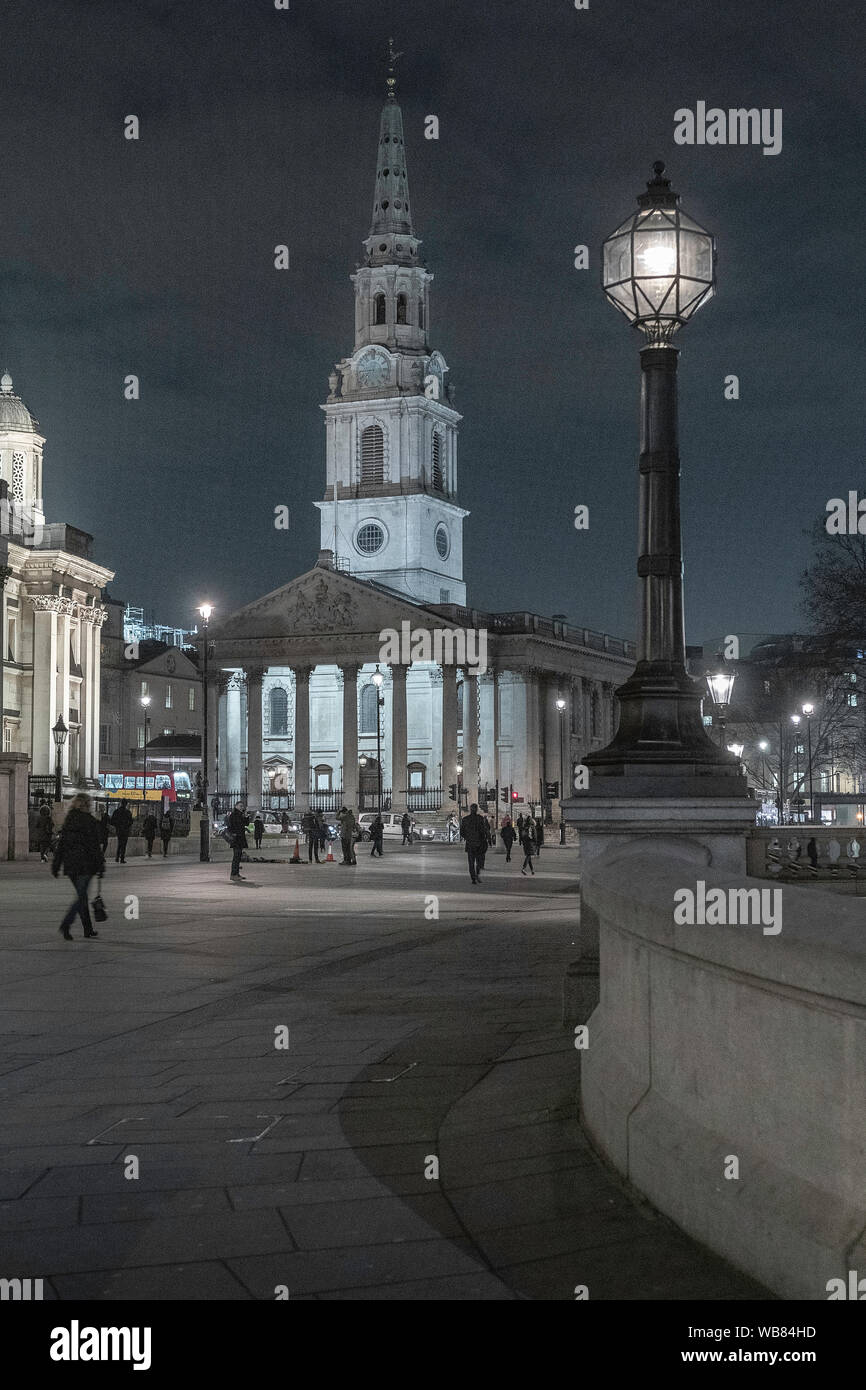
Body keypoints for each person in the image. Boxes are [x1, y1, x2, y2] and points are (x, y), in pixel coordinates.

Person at [52, 793, 104, 939]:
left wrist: (56, 865)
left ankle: (87, 929)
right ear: (87, 805)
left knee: (82, 896)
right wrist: (100, 866)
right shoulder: (90, 821)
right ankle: (66, 924)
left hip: (71, 865)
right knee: (81, 897)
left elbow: (62, 845)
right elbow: (94, 847)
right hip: (86, 865)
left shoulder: (69, 820)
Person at [460, 802, 486, 885]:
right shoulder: (480, 818)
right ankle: (477, 874)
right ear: (477, 809)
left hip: (470, 843)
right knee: (479, 861)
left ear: (470, 809)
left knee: (471, 862)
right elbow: (483, 831)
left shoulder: (465, 819)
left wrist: (467, 838)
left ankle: (473, 878)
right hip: (478, 843)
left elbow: (462, 832)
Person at [227, 800, 248, 881]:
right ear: (236, 806)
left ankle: (236, 873)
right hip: (236, 838)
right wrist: (234, 833)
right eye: (240, 806)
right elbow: (233, 826)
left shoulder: (240, 815)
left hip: (240, 838)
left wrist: (246, 816)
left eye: (242, 806)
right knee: (236, 857)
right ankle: (233, 874)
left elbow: (246, 824)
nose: (242, 807)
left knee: (238, 857)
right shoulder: (234, 815)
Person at [110, 798, 133, 864]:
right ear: (126, 804)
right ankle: (122, 858)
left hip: (119, 830)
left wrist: (118, 825)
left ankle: (117, 857)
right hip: (125, 830)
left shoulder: (117, 811)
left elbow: (112, 821)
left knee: (119, 843)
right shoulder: (128, 812)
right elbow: (131, 822)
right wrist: (126, 825)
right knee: (124, 844)